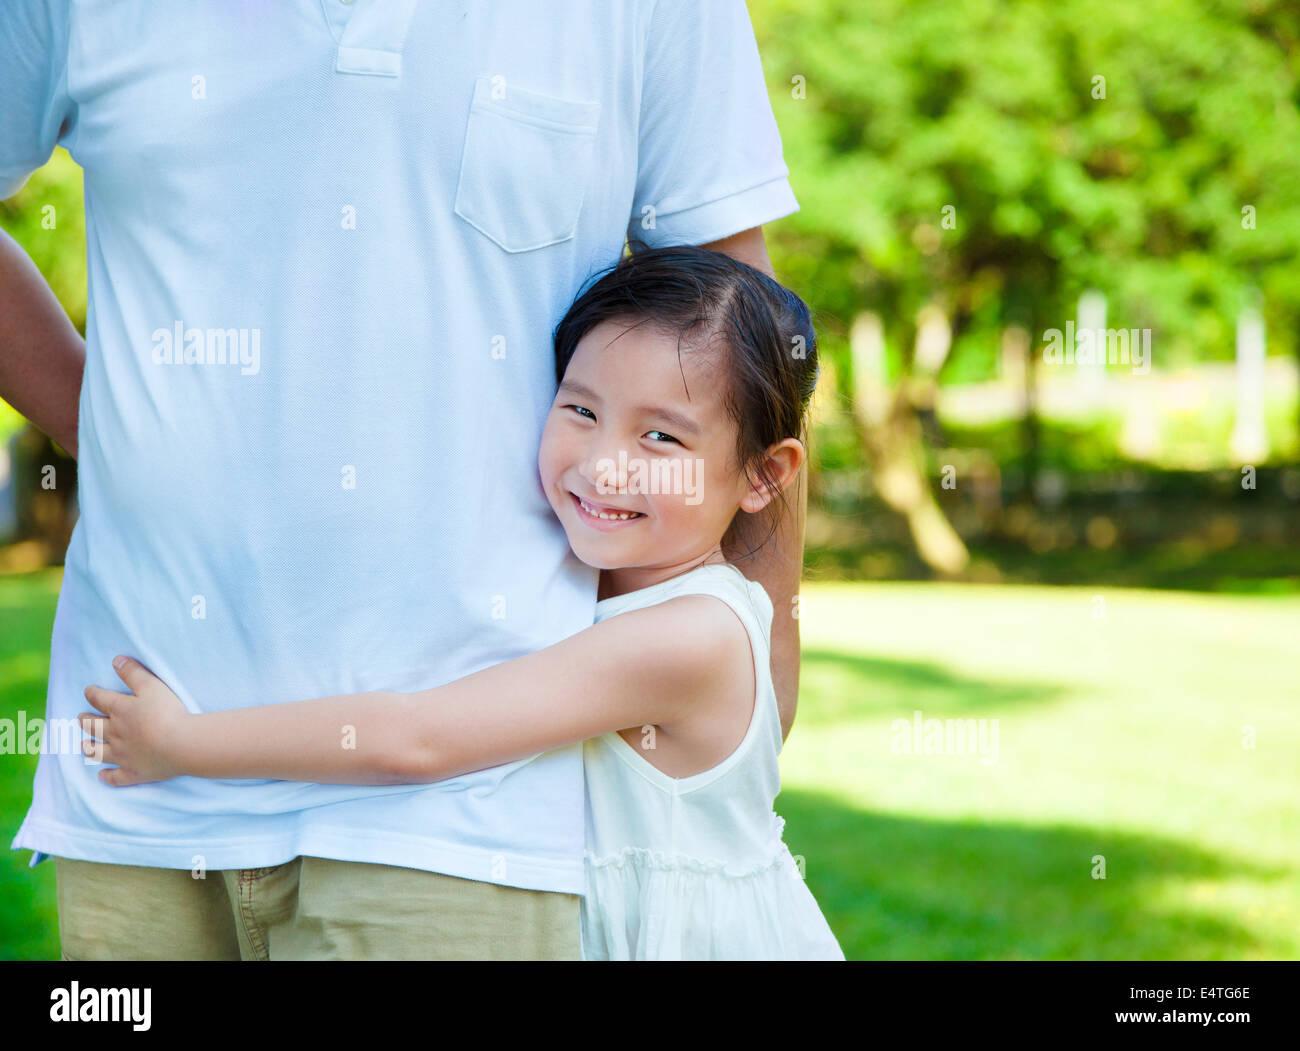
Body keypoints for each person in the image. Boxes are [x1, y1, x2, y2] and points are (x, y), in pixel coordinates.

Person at [0, 1, 806, 959]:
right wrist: (129, 431)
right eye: (582, 411)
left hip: (463, 818)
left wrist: (769, 663)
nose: (603, 455)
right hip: (139, 796)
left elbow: (748, 353)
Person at [81, 245, 844, 960]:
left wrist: (181, 743)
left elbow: (415, 739)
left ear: (764, 474)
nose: (605, 465)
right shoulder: (596, 586)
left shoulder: (691, 635)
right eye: (580, 411)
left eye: (661, 438)